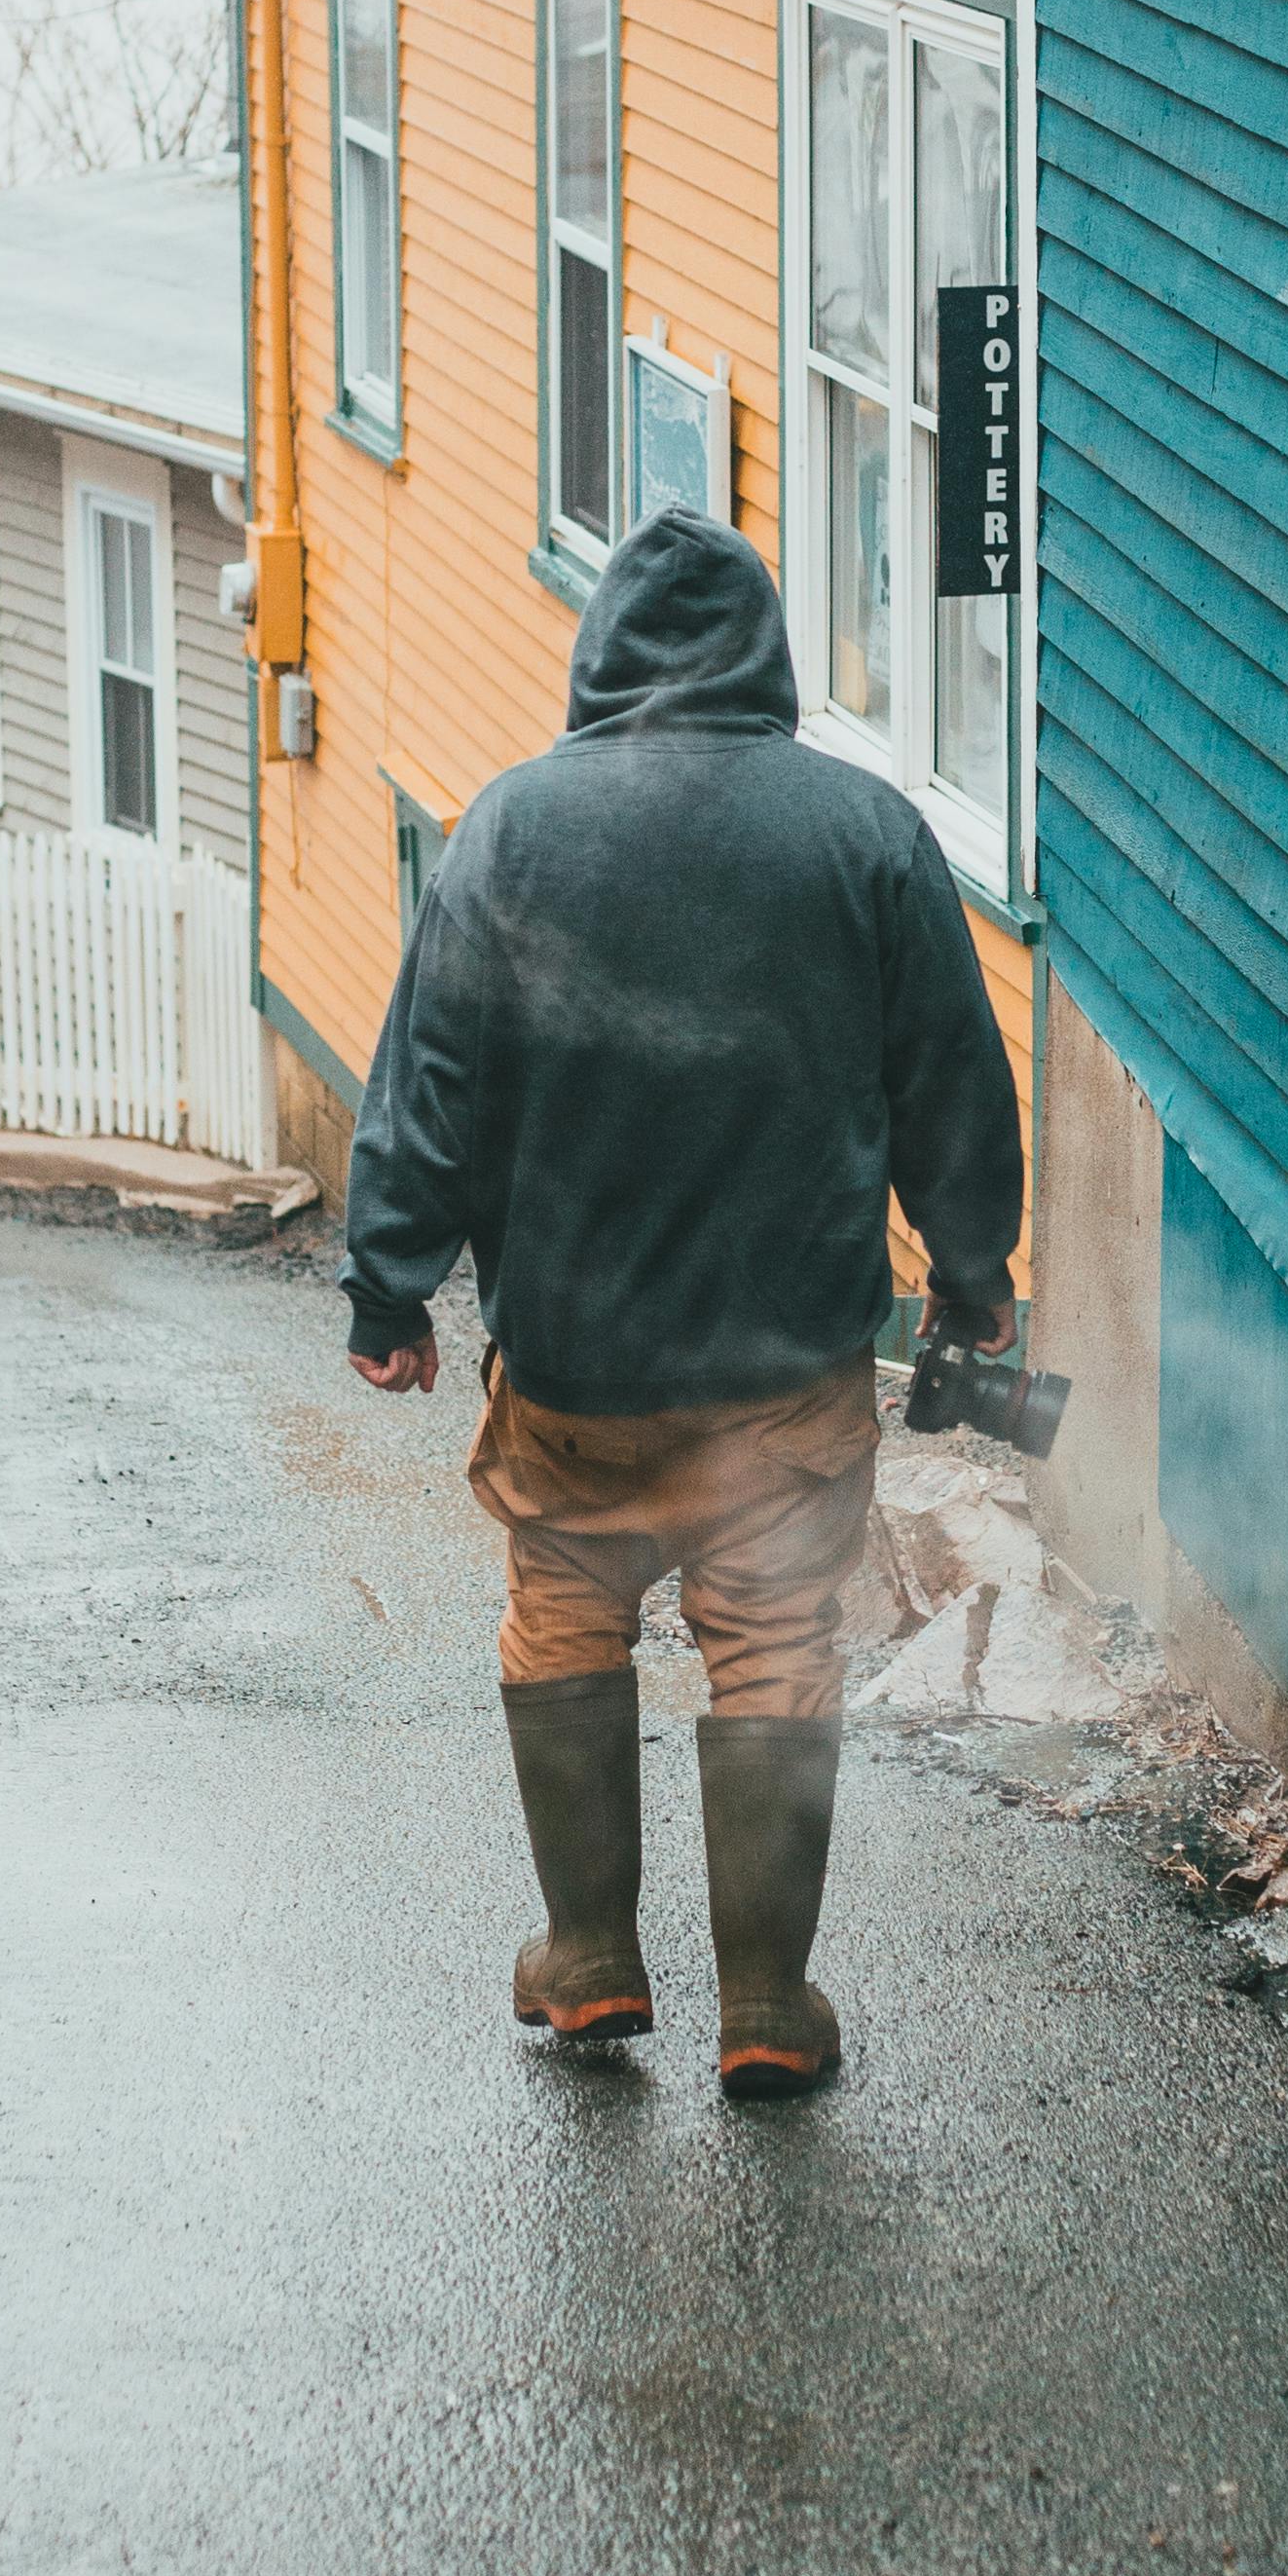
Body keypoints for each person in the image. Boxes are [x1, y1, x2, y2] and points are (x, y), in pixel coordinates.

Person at [339, 509, 1023, 2099]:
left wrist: (391, 1288)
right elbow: (951, 1085)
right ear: (765, 660)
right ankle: (769, 2002)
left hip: (575, 1368)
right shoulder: (863, 834)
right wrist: (975, 1280)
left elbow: (427, 1086)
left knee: (565, 1615)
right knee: (777, 1641)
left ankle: (585, 1964)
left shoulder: (509, 832)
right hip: (785, 1373)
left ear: (600, 659)